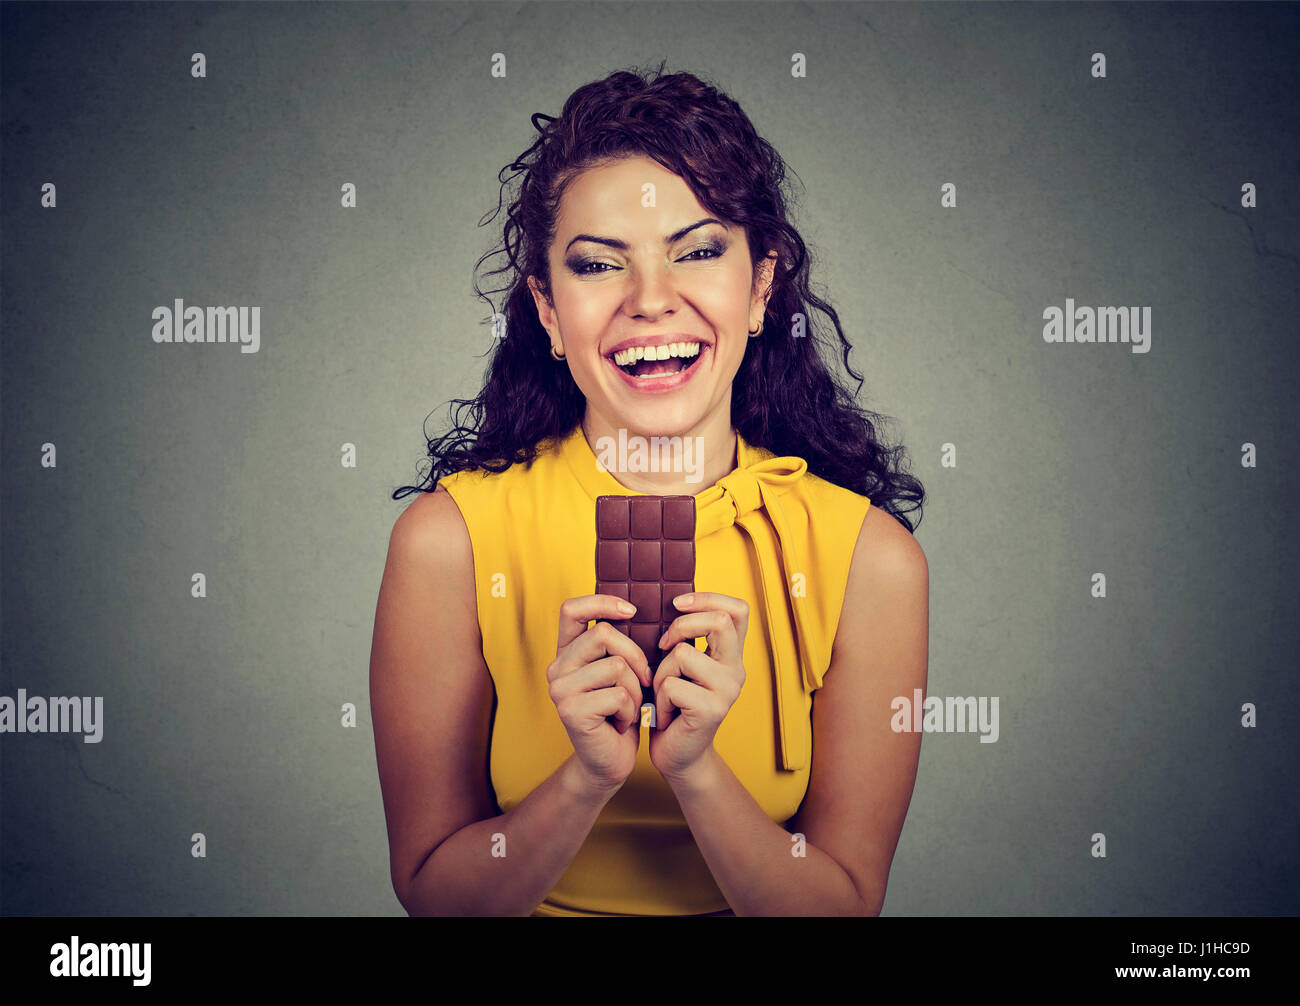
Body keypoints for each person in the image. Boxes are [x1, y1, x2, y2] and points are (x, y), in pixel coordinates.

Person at [370, 62, 928, 916]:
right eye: (598, 266)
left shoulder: (870, 560)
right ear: (549, 313)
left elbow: (843, 904)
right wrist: (588, 777)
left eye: (699, 252)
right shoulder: (449, 543)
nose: (651, 302)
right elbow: (436, 899)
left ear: (761, 286)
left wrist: (694, 771)